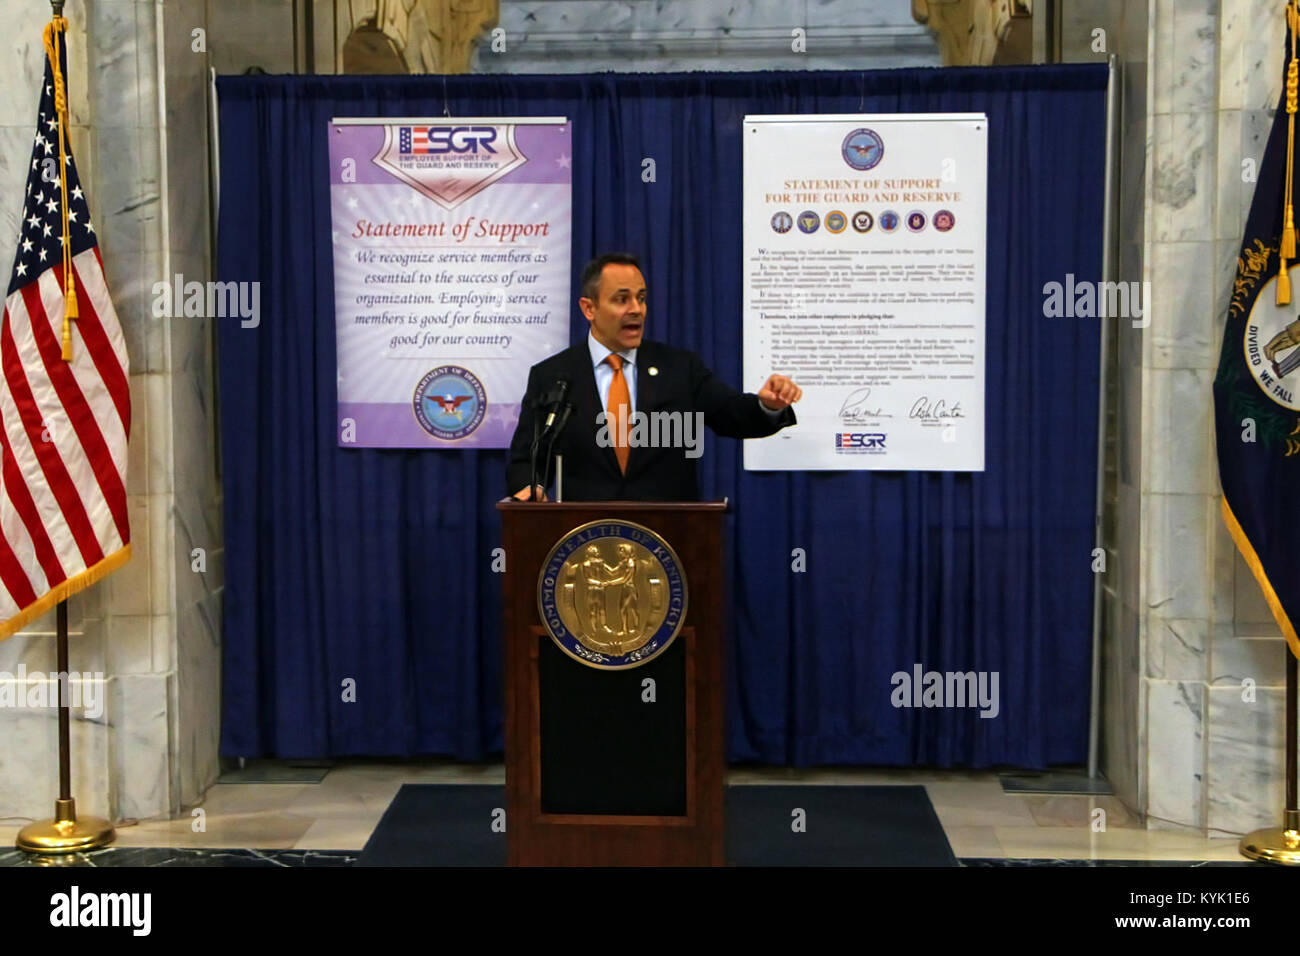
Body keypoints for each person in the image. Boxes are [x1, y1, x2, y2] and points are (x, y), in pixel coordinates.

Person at [506, 252, 801, 501]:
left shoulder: (680, 369)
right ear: (589, 308)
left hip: (667, 540)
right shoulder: (554, 376)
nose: (636, 309)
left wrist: (768, 406)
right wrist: (531, 490)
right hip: (587, 542)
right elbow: (528, 458)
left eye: (641, 298)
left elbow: (732, 414)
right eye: (622, 299)